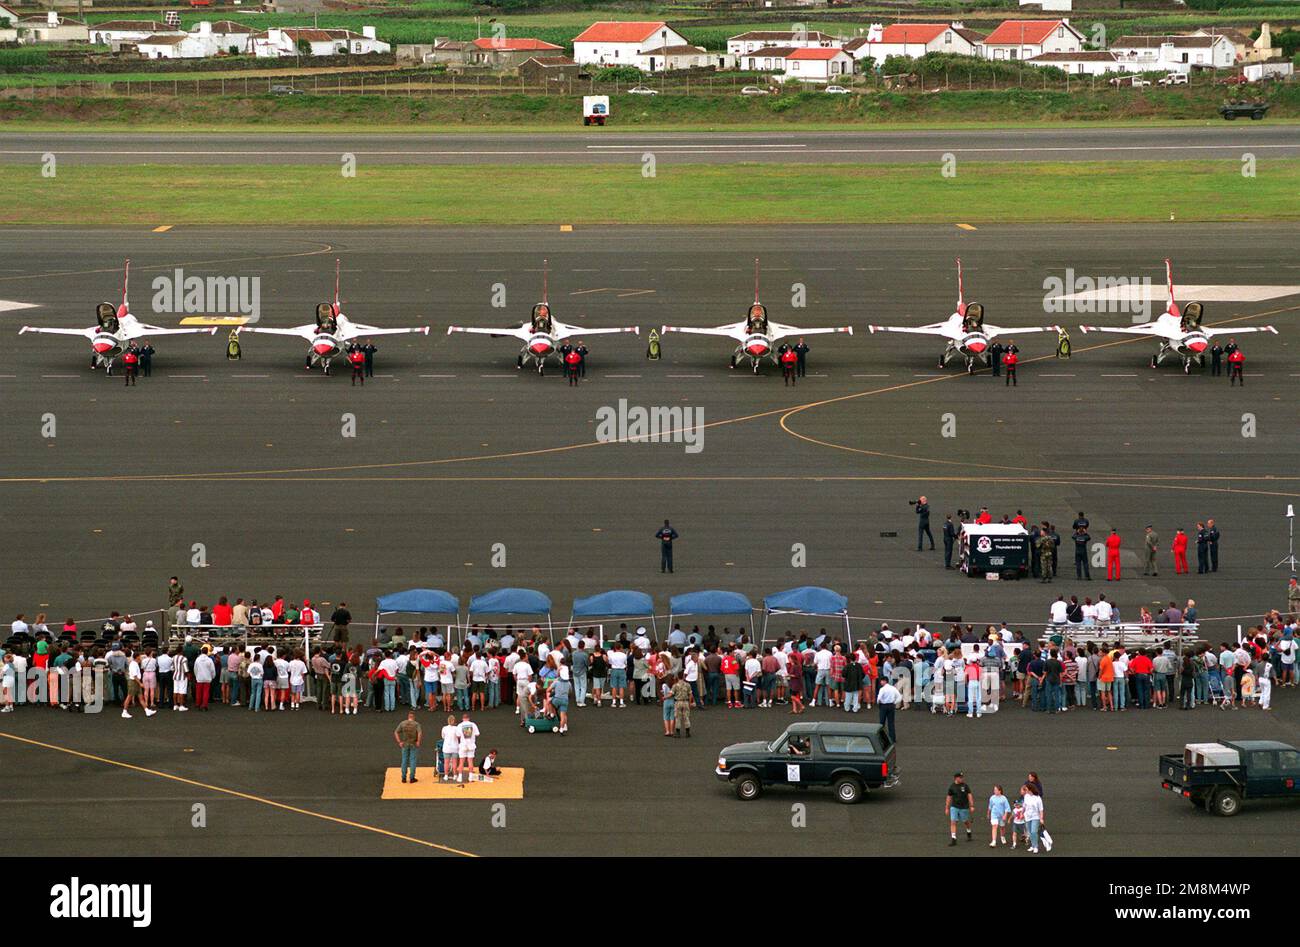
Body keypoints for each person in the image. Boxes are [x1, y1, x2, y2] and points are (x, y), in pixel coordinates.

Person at [946, 773, 974, 846]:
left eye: (962, 777)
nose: (962, 779)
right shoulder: (952, 787)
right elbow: (949, 797)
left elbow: (969, 795)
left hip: (964, 807)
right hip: (954, 807)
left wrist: (971, 806)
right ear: (956, 778)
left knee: (965, 821)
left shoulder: (965, 786)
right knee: (953, 822)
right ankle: (953, 838)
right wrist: (947, 807)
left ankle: (968, 831)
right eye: (960, 777)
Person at [395, 709, 422, 784]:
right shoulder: (416, 724)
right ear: (414, 717)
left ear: (408, 716)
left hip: (405, 744)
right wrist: (418, 741)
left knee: (404, 760)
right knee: (412, 760)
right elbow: (419, 733)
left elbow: (396, 732)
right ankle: (412, 778)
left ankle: (403, 777)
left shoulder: (403, 723)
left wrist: (399, 742)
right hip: (413, 743)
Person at [1021, 784, 1045, 853]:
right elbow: (1024, 806)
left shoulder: (1038, 798)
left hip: (1035, 817)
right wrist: (1022, 813)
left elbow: (1041, 809)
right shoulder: (1026, 796)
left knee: (1034, 831)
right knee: (1030, 832)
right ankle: (1032, 845)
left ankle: (1036, 847)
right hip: (1027, 817)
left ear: (1030, 789)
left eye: (1026, 789)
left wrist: (1041, 818)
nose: (1025, 790)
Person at [877, 677, 900, 742]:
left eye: (881, 681)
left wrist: (879, 702)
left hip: (883, 706)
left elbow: (879, 698)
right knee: (891, 723)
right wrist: (894, 702)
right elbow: (899, 696)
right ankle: (893, 738)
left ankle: (881, 738)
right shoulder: (893, 688)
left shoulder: (882, 689)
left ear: (884, 681)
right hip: (891, 706)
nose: (880, 682)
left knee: (882, 723)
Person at [439, 714, 460, 782]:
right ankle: (455, 775)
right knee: (454, 762)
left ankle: (446, 775)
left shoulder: (444, 728)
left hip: (447, 748)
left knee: (446, 762)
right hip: (455, 748)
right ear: (454, 721)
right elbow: (458, 736)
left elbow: (443, 737)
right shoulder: (456, 728)